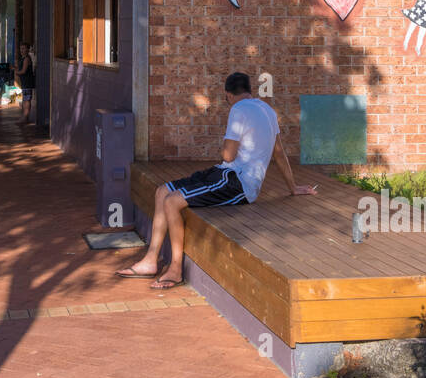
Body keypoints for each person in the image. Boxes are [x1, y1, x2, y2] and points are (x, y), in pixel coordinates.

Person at [118, 72, 317, 290]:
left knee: (171, 201)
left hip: (239, 184)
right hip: (226, 174)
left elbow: (228, 155)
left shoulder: (238, 109)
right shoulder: (268, 110)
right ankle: (150, 261)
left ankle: (175, 269)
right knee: (162, 191)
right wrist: (293, 187)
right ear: (249, 90)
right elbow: (279, 152)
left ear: (228, 95)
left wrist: (226, 145)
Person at [14, 42, 35, 123]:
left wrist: (16, 72)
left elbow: (23, 71)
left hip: (27, 82)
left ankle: (25, 117)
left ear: (27, 49)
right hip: (24, 82)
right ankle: (24, 117)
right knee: (25, 99)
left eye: (23, 48)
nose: (22, 50)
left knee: (27, 100)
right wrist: (14, 68)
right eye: (21, 49)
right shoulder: (23, 58)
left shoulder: (26, 59)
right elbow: (20, 69)